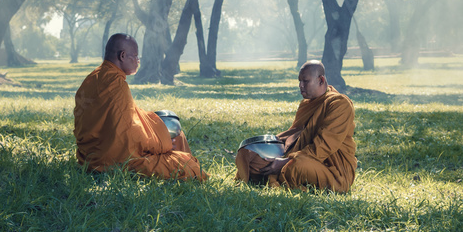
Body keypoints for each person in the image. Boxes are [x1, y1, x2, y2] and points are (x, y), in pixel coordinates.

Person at [73, 33, 207, 181]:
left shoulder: (93, 77)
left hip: (89, 156)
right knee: (188, 164)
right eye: (136, 56)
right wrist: (162, 142)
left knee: (172, 133)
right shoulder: (115, 84)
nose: (138, 61)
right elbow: (127, 135)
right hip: (112, 162)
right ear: (122, 56)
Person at [235, 60, 356, 192]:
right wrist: (268, 153)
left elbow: (323, 146)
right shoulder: (306, 104)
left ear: (321, 80)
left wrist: (286, 161)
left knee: (297, 166)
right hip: (298, 157)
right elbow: (294, 137)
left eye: (305, 81)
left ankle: (274, 176)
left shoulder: (339, 104)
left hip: (332, 171)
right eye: (299, 81)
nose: (300, 85)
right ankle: (274, 175)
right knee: (249, 154)